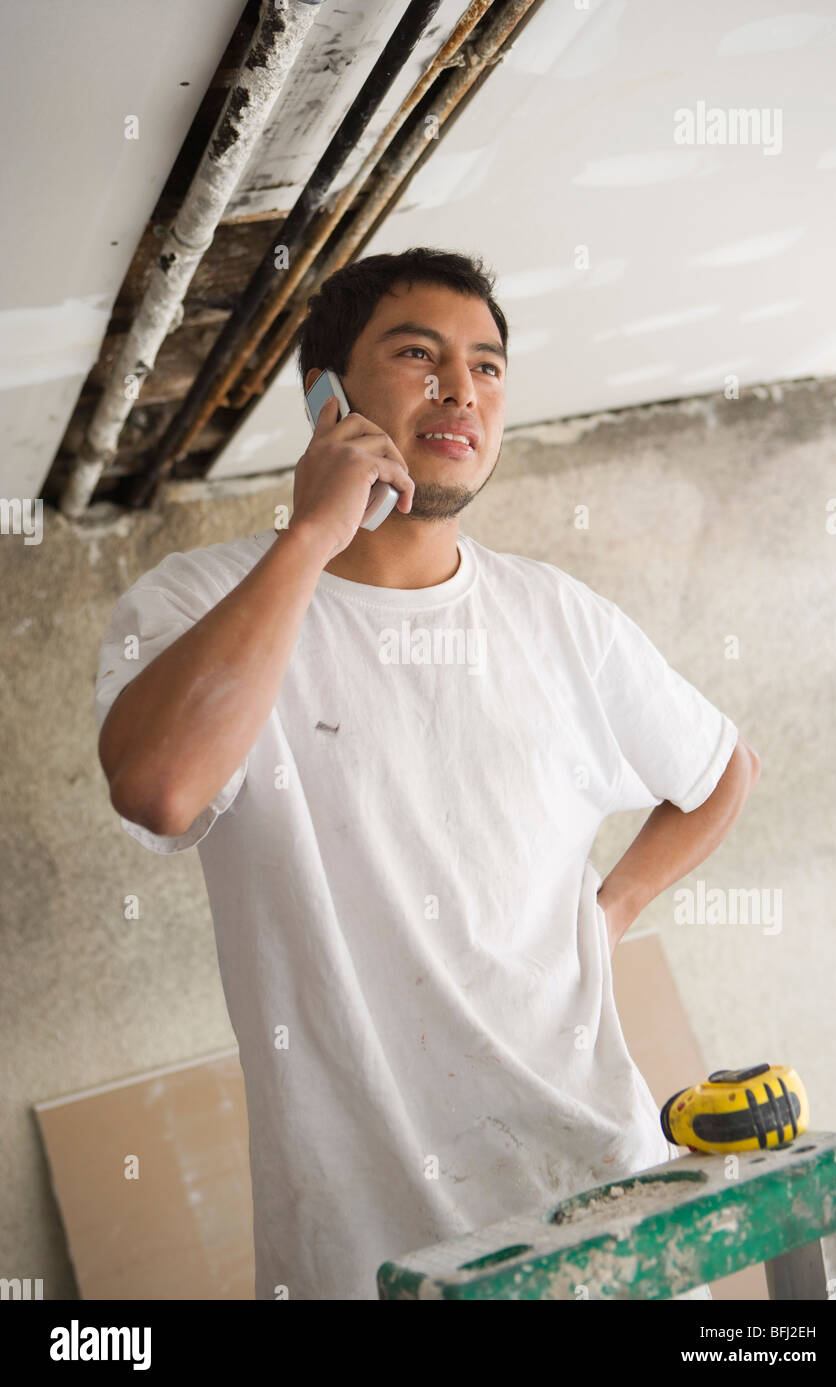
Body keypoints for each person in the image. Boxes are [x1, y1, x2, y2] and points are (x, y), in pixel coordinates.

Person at [94, 247, 759, 1301]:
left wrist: (611, 909)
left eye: (487, 367)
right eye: (419, 354)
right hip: (365, 1248)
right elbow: (159, 788)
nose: (462, 389)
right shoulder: (193, 604)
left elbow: (720, 770)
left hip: (599, 1198)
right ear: (326, 396)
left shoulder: (556, 617)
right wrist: (312, 534)